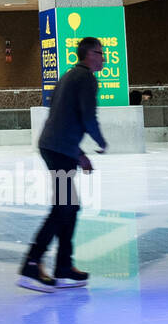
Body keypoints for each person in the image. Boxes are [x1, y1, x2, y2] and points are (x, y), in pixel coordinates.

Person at [18, 37, 108, 292]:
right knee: (63, 208)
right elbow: (88, 118)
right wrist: (102, 142)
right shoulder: (86, 79)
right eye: (100, 53)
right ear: (89, 54)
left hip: (56, 147)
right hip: (58, 149)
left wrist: (79, 154)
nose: (103, 57)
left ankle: (63, 267)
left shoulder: (69, 76)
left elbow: (64, 118)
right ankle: (32, 265)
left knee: (68, 207)